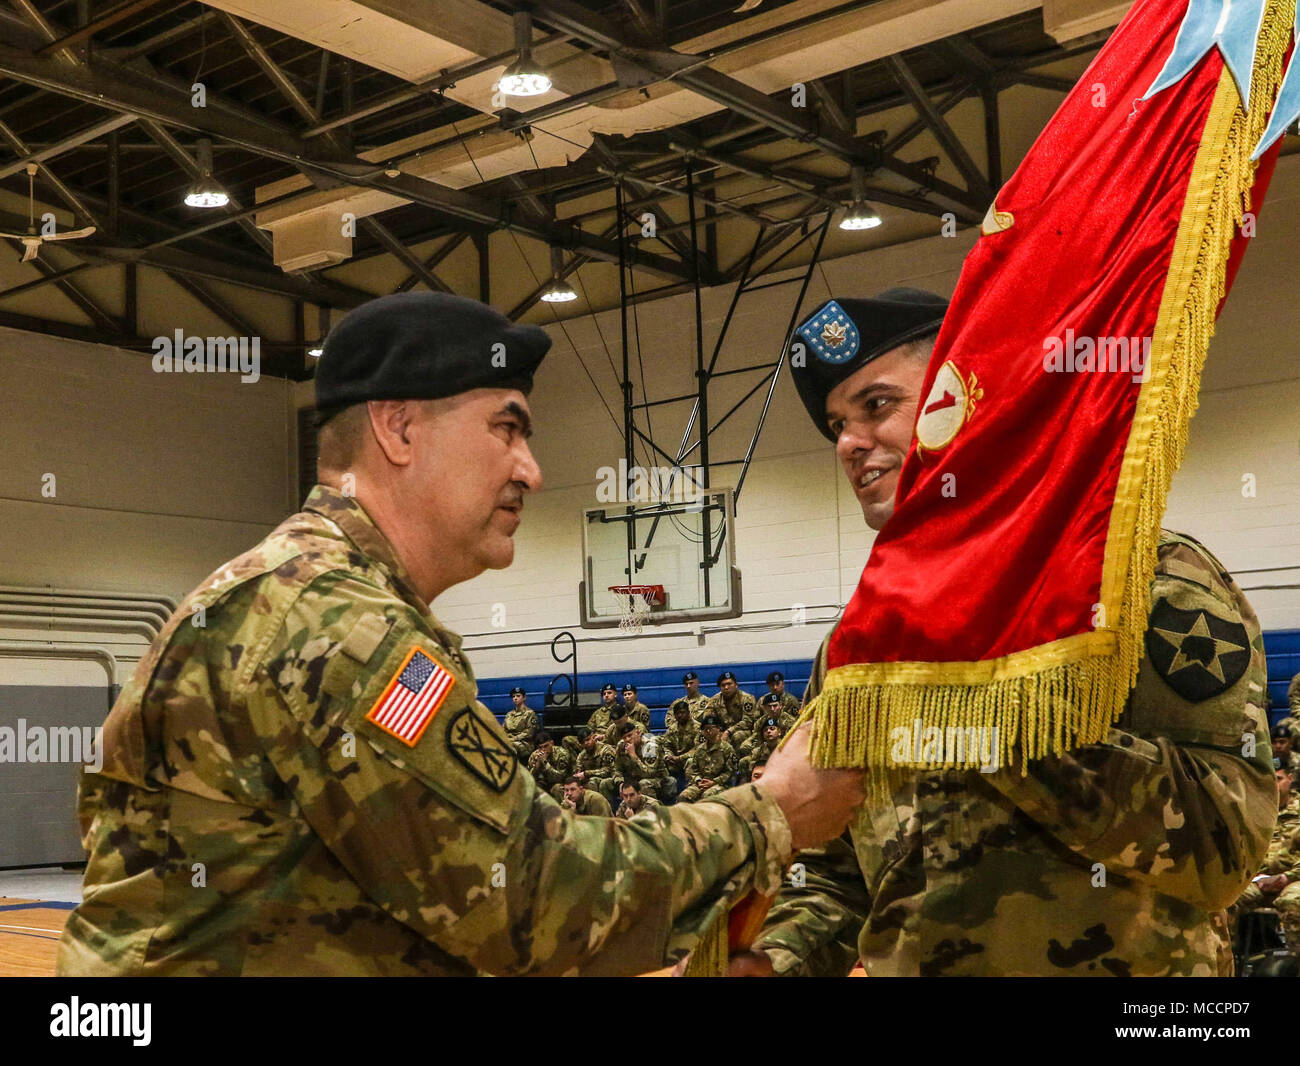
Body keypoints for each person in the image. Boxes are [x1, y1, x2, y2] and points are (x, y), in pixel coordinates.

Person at [57, 291, 865, 977]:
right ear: (399, 429)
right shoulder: (341, 628)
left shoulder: (299, 596)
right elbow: (530, 898)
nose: (530, 469)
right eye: (506, 429)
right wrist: (775, 811)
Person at [731, 288, 1273, 977]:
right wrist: (772, 961)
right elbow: (840, 877)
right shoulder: (859, 645)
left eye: (876, 406)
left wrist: (988, 703)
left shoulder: (1143, 581)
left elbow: (1222, 846)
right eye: (837, 424)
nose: (848, 443)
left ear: (971, 399)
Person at [1230, 767, 1300, 955]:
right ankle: (1229, 962)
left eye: (1278, 779)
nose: (1274, 784)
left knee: (1294, 902)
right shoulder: (1253, 809)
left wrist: (1286, 877)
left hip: (1294, 878)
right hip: (1258, 880)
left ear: (1290, 779)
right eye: (1269, 779)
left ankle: (1294, 965)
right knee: (1224, 901)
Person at [679, 714, 738, 803]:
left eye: (711, 727)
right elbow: (694, 769)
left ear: (718, 729)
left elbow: (730, 772)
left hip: (720, 784)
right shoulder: (700, 749)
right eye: (705, 728)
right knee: (684, 796)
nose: (708, 731)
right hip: (701, 783)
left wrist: (713, 782)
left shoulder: (727, 749)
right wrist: (698, 780)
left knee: (707, 796)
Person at [614, 725, 676, 803]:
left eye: (630, 735)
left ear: (638, 733)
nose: (627, 740)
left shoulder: (650, 746)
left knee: (643, 783)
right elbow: (617, 769)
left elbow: (649, 773)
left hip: (658, 779)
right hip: (633, 780)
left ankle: (651, 811)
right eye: (624, 737)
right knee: (606, 783)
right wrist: (620, 782)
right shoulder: (621, 746)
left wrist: (634, 756)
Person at [708, 671, 757, 750]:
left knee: (737, 736)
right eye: (723, 685)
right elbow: (709, 719)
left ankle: (736, 760)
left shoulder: (747, 698)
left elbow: (748, 721)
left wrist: (729, 731)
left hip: (743, 731)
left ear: (736, 685)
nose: (726, 687)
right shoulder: (714, 700)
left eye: (729, 684)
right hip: (722, 731)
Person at [572, 726, 616, 802]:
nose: (586, 743)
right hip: (592, 780)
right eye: (582, 742)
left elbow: (610, 770)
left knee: (593, 781)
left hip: (611, 779)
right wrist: (578, 776)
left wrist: (587, 773)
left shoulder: (606, 750)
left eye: (587, 740)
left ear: (593, 737)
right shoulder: (581, 756)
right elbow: (578, 771)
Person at [527, 729, 572, 802]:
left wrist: (545, 762)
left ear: (552, 743)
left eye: (546, 746)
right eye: (540, 747)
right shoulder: (534, 755)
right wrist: (537, 765)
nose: (543, 750)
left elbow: (559, 777)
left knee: (557, 788)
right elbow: (530, 778)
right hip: (543, 783)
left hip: (560, 783)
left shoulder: (562, 754)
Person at [662, 702, 700, 784]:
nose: (680, 715)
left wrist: (680, 758)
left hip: (692, 760)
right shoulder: (672, 728)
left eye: (682, 712)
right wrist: (668, 756)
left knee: (691, 761)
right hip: (675, 761)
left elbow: (698, 749)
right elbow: (666, 745)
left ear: (688, 713)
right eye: (677, 713)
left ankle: (691, 787)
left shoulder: (697, 728)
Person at [740, 717, 786, 782]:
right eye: (765, 730)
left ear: (779, 732)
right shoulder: (758, 751)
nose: (768, 731)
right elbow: (753, 769)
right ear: (763, 735)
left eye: (772, 729)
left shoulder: (786, 748)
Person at [503, 686, 541, 758]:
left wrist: (514, 738)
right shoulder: (509, 714)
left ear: (524, 698)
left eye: (518, 696)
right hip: (509, 740)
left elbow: (530, 732)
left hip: (525, 743)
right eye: (513, 696)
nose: (515, 698)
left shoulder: (530, 713)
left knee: (510, 747)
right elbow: (503, 729)